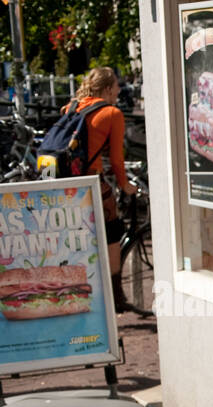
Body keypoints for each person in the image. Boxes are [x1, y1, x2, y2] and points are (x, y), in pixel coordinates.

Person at [65, 67, 138, 316]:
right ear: (107, 89)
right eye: (116, 85)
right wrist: (126, 185)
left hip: (67, 187)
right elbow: (117, 160)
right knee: (112, 234)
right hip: (92, 185)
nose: (119, 90)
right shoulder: (111, 113)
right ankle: (116, 294)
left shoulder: (71, 107)